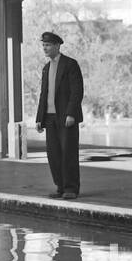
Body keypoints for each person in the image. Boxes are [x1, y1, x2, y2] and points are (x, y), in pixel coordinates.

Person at [35, 31, 84, 199]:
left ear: (57, 45)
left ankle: (71, 189)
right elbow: (44, 94)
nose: (45, 48)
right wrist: (39, 119)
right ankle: (60, 187)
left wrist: (71, 113)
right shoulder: (46, 68)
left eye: (48, 45)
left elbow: (77, 92)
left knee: (68, 152)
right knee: (53, 154)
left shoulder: (70, 64)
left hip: (65, 117)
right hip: (49, 118)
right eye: (43, 45)